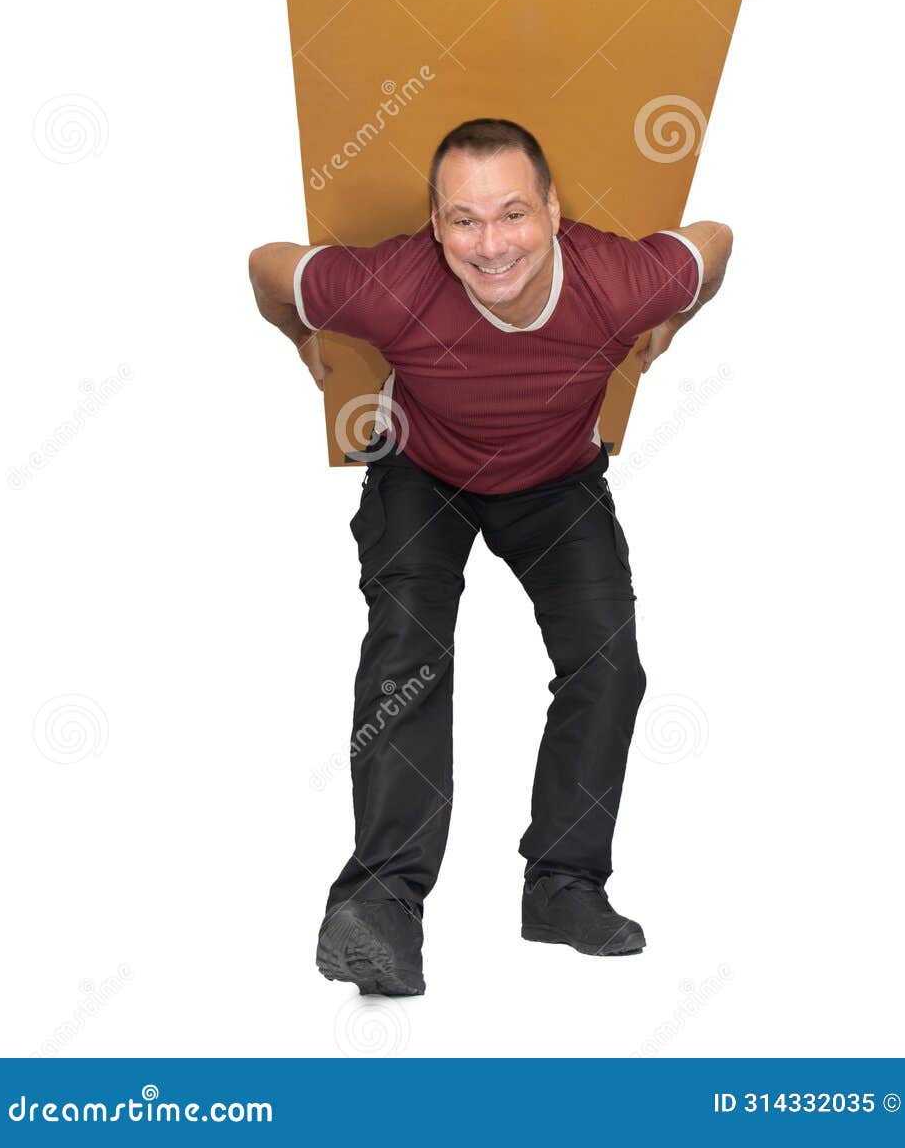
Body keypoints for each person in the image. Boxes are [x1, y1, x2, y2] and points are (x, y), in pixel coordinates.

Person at [249, 118, 733, 996]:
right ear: (435, 227)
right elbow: (266, 266)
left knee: (609, 665)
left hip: (554, 480)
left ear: (553, 211)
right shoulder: (392, 285)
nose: (492, 244)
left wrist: (673, 321)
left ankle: (563, 886)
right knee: (407, 653)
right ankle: (380, 906)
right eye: (464, 221)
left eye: (513, 214)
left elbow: (716, 241)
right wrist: (303, 341)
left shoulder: (622, 281)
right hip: (423, 472)